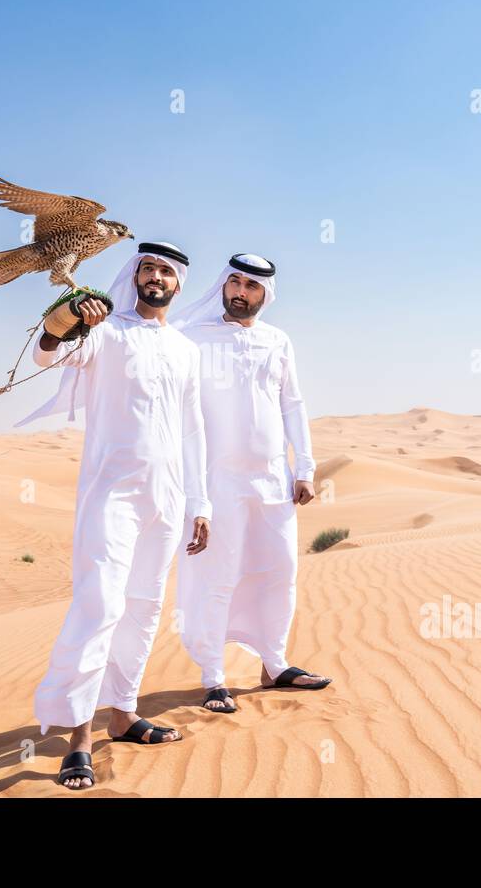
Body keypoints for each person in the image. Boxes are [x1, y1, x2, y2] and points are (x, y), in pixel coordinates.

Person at [17, 241, 211, 789]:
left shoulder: (185, 348)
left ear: (179, 285)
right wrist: (61, 325)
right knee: (100, 602)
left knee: (145, 607)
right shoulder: (105, 329)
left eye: (166, 271)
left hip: (168, 496)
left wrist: (200, 502)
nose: (155, 276)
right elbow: (48, 355)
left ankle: (122, 713)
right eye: (147, 267)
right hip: (111, 494)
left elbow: (194, 428)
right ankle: (78, 735)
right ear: (136, 274)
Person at [172, 252, 331, 716]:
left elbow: (292, 404)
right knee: (217, 577)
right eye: (236, 282)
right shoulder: (190, 338)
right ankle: (212, 676)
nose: (242, 292)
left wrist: (305, 467)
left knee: (280, 572)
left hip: (272, 479)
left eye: (252, 287)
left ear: (266, 294)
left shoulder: (277, 341)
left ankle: (275, 663)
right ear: (223, 284)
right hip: (215, 480)